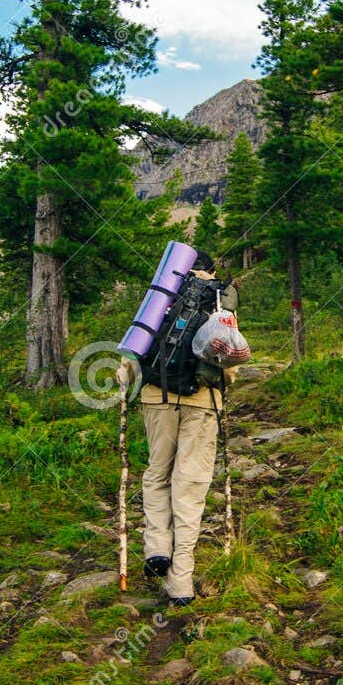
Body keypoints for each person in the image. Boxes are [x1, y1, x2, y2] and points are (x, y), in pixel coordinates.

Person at [123, 253, 239, 606]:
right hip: (202, 403)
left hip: (156, 398)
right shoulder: (221, 301)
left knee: (157, 474)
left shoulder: (162, 298)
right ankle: (181, 582)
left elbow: (132, 353)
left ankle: (157, 548)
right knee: (189, 486)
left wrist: (126, 386)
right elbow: (229, 362)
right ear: (213, 272)